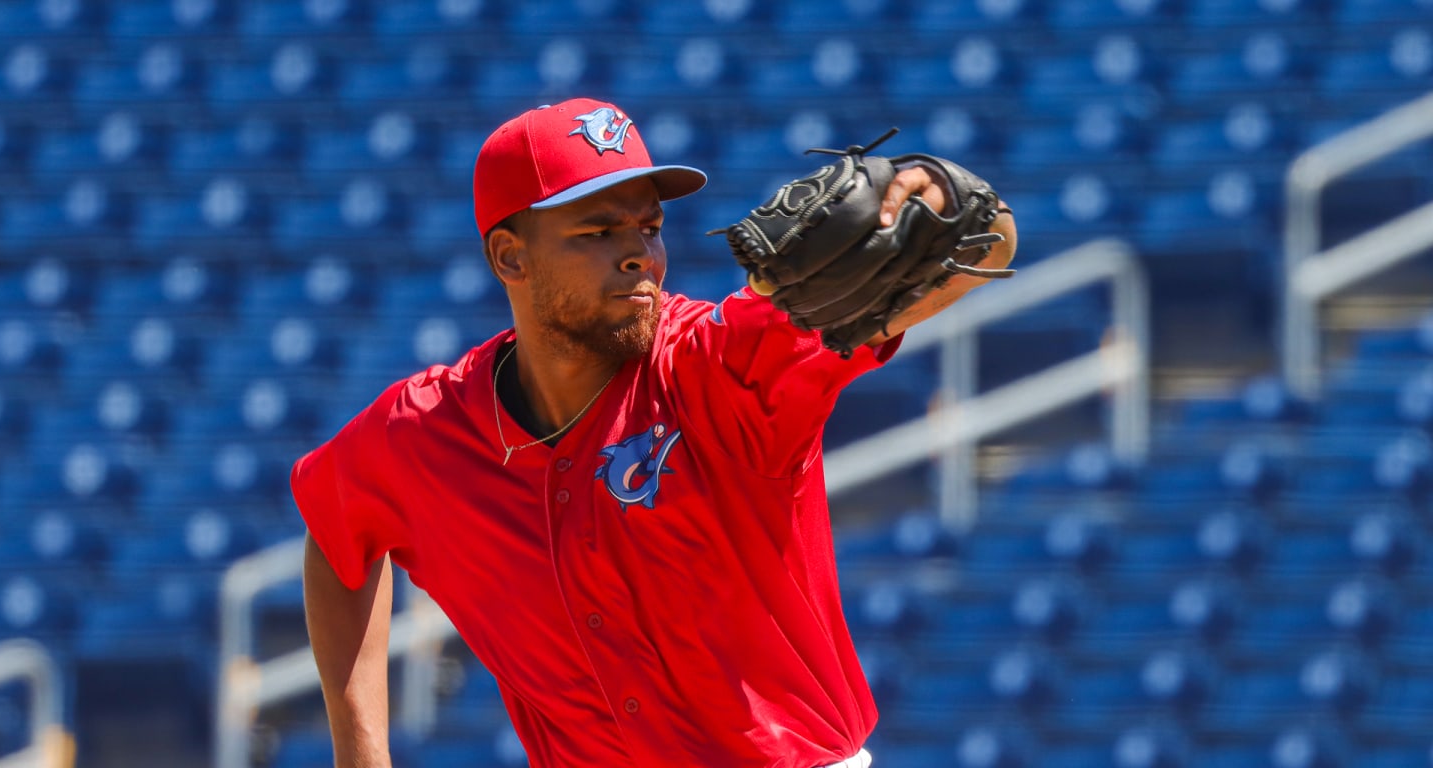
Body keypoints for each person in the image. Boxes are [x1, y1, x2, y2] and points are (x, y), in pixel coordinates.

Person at [293, 97, 1016, 768]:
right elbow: (336, 535)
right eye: (599, 231)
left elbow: (985, 247)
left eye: (649, 226)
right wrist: (361, 753)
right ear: (511, 257)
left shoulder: (718, 366)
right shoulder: (424, 432)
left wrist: (947, 194)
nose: (641, 253)